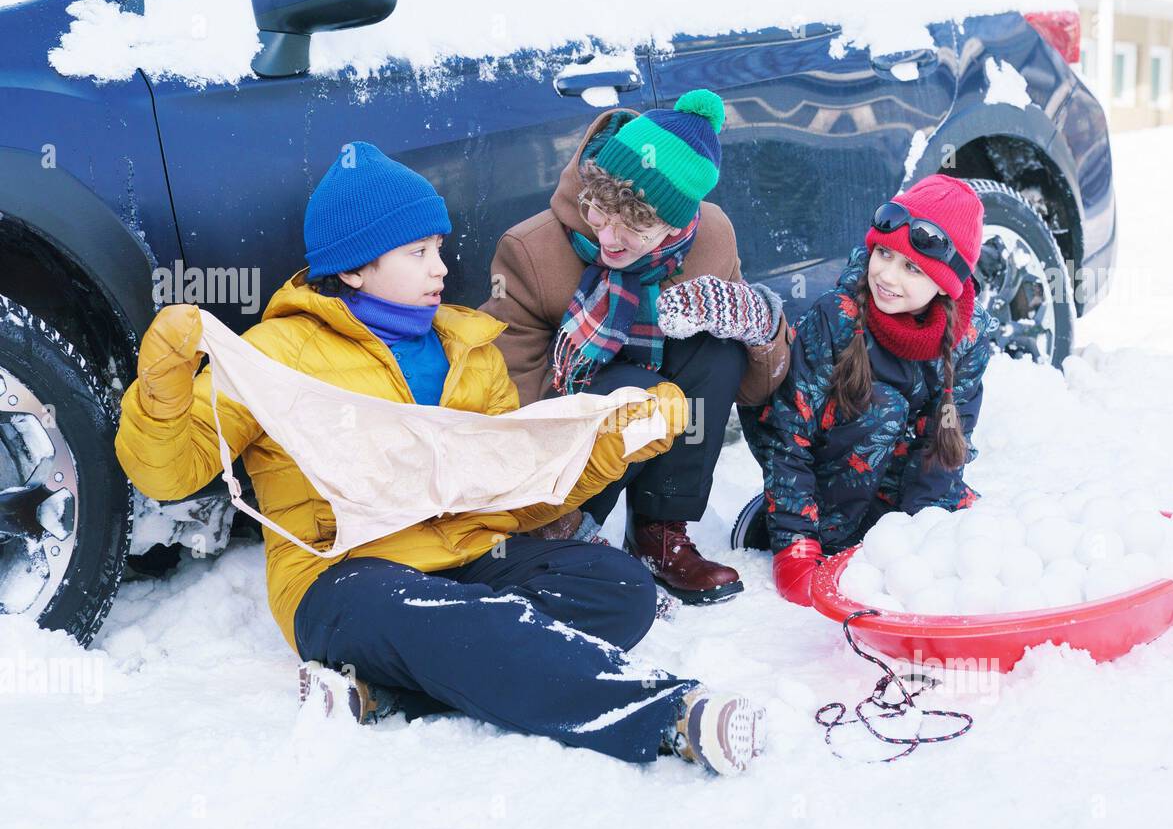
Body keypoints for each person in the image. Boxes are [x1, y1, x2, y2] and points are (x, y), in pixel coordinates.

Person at [115, 141, 765, 774]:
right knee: (442, 618)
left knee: (619, 588)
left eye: (439, 249)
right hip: (348, 579)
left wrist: (609, 450)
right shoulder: (278, 356)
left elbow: (514, 497)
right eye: (418, 252)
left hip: (472, 557)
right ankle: (665, 715)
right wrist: (164, 389)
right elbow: (168, 475)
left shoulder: (467, 350)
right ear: (354, 268)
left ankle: (389, 693)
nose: (442, 270)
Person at [481, 89, 792, 605]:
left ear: (678, 221)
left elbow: (756, 389)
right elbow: (506, 393)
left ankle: (658, 532)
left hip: (660, 415)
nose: (610, 237)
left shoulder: (712, 236)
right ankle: (578, 530)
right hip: (568, 447)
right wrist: (552, 515)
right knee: (637, 390)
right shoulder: (531, 249)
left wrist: (753, 319)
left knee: (715, 351)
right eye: (601, 212)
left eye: (637, 223)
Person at [738, 174, 998, 606]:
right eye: (885, 254)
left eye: (912, 268)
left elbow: (945, 443)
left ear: (946, 284)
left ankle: (886, 526)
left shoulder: (967, 337)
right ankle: (790, 520)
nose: (888, 276)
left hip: (893, 481)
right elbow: (788, 436)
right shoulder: (836, 318)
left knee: (974, 535)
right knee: (884, 407)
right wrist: (794, 540)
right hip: (827, 471)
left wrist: (922, 537)